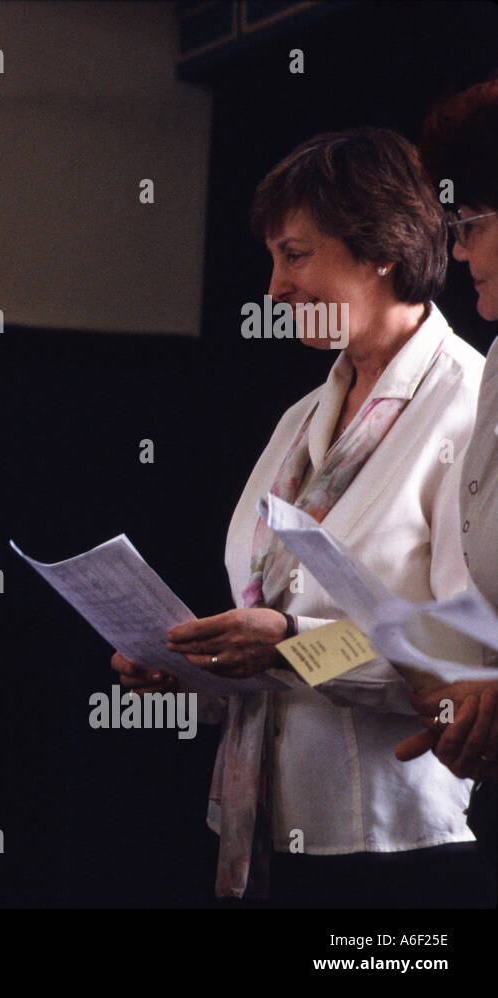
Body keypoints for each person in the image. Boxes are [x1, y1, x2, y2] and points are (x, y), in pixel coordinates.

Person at [112, 129, 491, 905]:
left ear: (380, 248)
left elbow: (461, 655)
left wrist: (290, 649)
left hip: (391, 844)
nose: (275, 287)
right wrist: (196, 670)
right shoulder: (301, 418)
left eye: (295, 254)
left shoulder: (470, 405)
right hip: (262, 828)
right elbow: (275, 622)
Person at [395, 76, 498, 870]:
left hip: (403, 823)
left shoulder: (458, 386)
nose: (455, 249)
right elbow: (469, 630)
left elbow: (452, 636)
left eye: (469, 225)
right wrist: (213, 674)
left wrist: (291, 645)